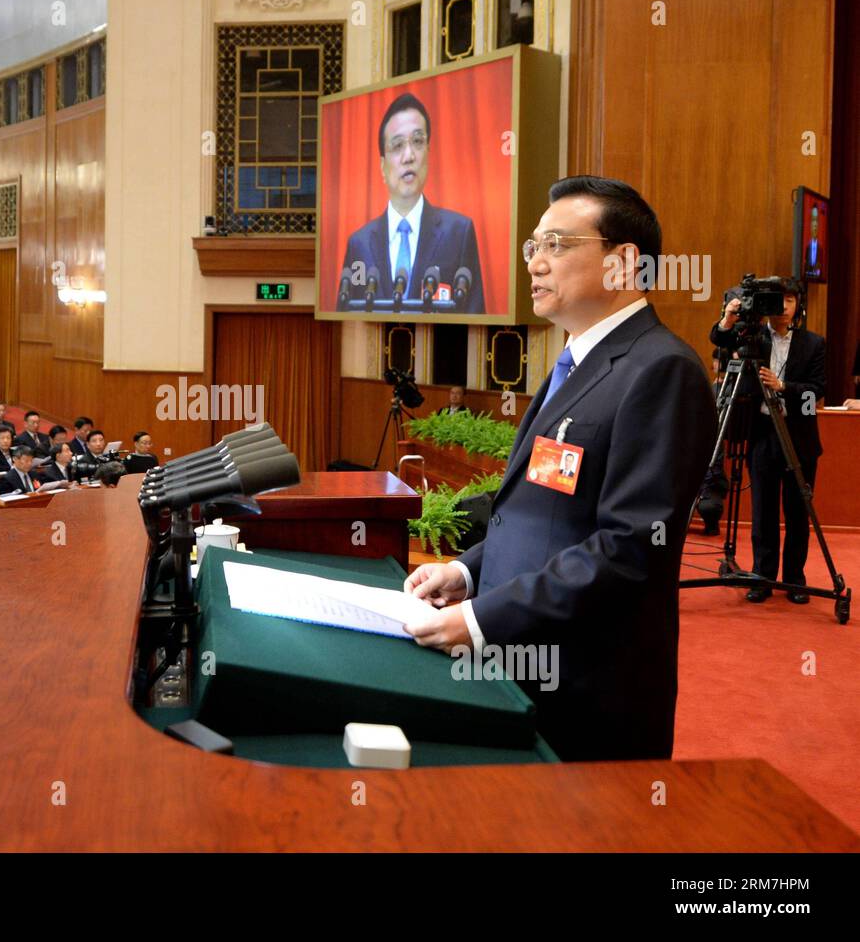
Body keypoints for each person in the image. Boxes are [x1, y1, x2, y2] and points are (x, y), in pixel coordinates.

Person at [401, 175, 716, 762]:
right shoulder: (575, 363)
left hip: (586, 694)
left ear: (623, 262)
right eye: (532, 248)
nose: (535, 265)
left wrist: (480, 619)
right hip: (519, 673)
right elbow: (543, 513)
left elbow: (629, 549)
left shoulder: (661, 370)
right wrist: (468, 575)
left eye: (557, 246)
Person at [711, 281, 825, 604]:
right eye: (778, 300)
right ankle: (762, 577)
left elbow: (816, 389)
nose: (784, 306)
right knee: (763, 511)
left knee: (797, 511)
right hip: (763, 434)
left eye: (789, 299)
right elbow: (719, 341)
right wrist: (728, 319)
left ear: (797, 305)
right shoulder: (755, 337)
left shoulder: (814, 343)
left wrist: (783, 386)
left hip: (799, 438)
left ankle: (794, 580)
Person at [340, 93, 484, 312]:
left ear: (428, 151)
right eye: (397, 146)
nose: (409, 156)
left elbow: (474, 315)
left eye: (417, 142)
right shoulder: (359, 244)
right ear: (382, 166)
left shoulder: (458, 233)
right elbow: (349, 316)